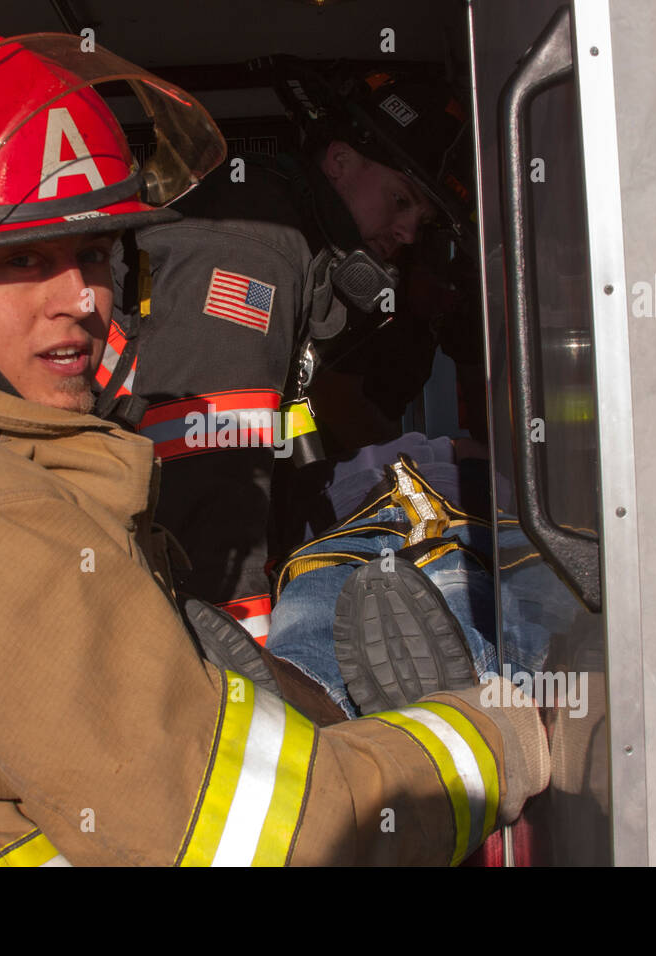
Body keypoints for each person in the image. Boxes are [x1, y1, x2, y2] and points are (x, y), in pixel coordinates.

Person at [0, 32, 548, 867]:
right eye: (23, 257)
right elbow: (274, 844)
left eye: (94, 253)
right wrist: (489, 743)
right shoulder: (0, 533)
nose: (82, 300)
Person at [100, 58, 478, 647]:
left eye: (420, 219)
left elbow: (284, 448)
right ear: (340, 161)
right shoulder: (255, 254)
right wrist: (243, 656)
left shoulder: (297, 245)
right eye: (400, 200)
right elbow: (208, 472)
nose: (407, 232)